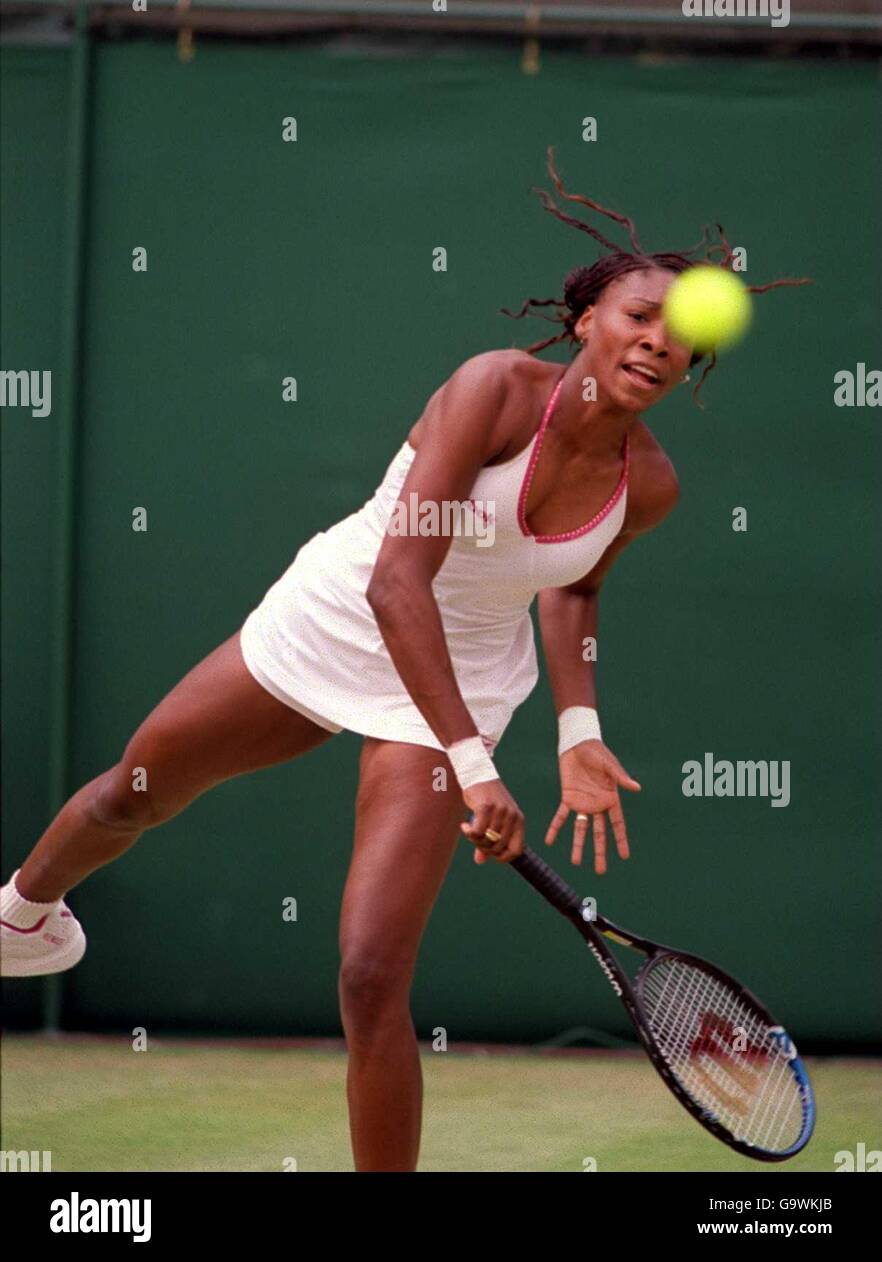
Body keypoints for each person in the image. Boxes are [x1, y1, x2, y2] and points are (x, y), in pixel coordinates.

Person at [0, 154, 803, 1171]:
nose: (659, 342)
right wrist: (477, 766)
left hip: (455, 688)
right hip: (339, 614)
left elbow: (573, 586)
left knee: (372, 972)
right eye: (641, 315)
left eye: (683, 340)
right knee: (134, 792)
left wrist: (578, 730)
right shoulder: (494, 391)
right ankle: (22, 915)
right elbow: (396, 584)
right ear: (590, 315)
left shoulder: (649, 485)